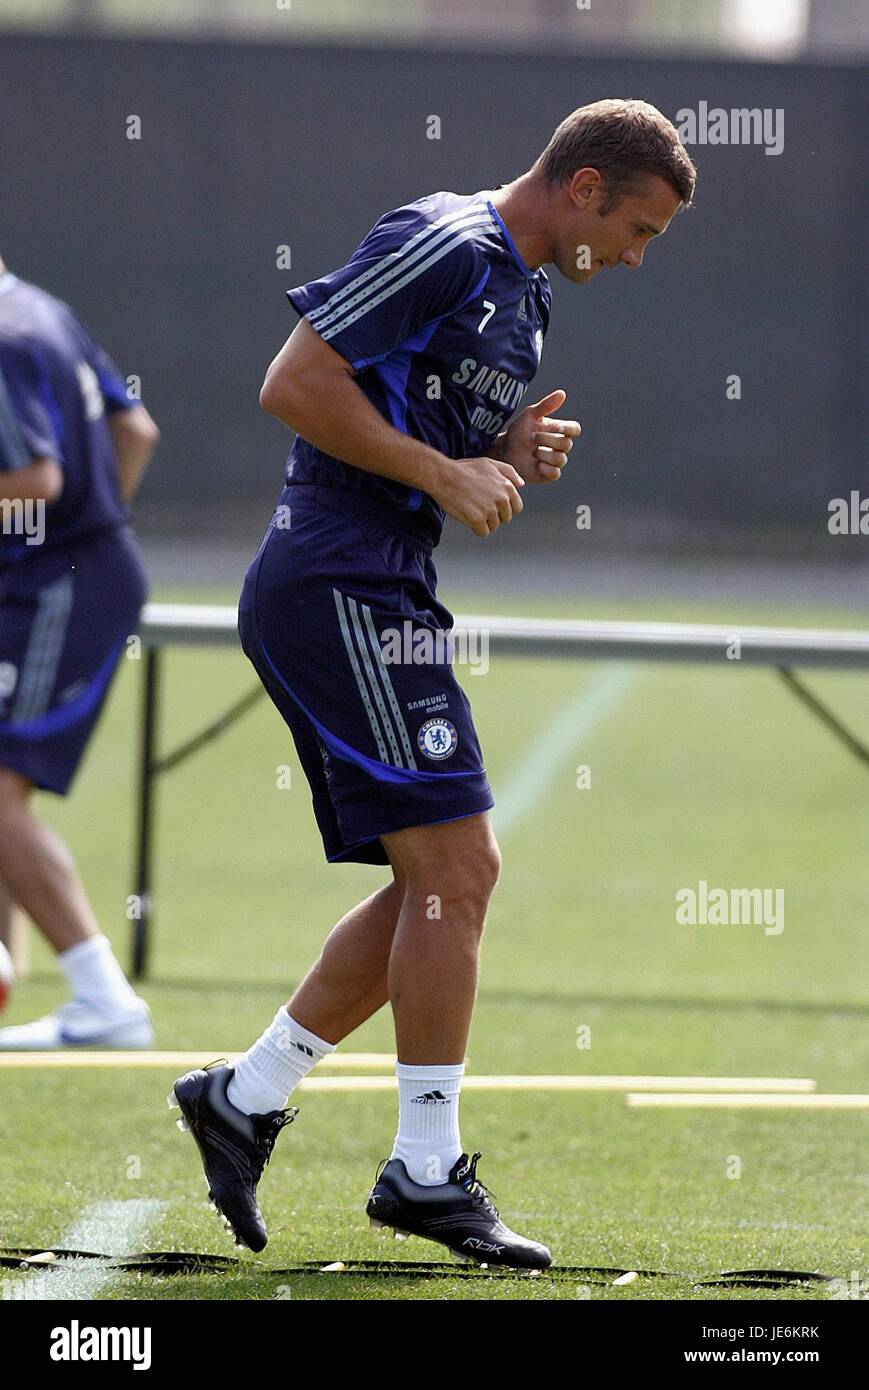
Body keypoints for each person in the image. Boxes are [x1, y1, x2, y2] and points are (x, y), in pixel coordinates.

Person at [170, 99, 696, 1267]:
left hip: (384, 582)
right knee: (458, 864)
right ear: (583, 189)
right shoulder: (446, 241)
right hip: (332, 575)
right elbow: (293, 382)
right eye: (638, 228)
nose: (637, 254)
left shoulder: (530, 288)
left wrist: (502, 461)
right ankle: (419, 1169)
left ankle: (245, 1099)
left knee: (436, 877)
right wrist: (441, 474)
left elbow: (429, 443)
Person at [0, 262, 159, 1049]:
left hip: (54, 585)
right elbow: (137, 431)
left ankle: (104, 1001)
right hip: (74, 571)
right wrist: (98, 532)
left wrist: (64, 548)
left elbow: (33, 476)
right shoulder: (42, 307)